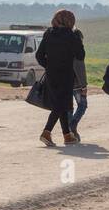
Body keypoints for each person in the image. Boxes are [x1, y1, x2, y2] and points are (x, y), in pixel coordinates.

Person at [34, 9, 83, 146]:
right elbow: (81, 56)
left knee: (62, 103)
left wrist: (49, 66)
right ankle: (46, 132)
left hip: (51, 74)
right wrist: (77, 37)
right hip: (66, 75)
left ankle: (67, 135)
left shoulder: (49, 34)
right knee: (61, 104)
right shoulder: (72, 36)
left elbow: (39, 56)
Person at [69, 28, 89, 143]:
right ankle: (72, 125)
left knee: (69, 108)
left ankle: (70, 130)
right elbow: (80, 69)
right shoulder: (78, 51)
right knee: (82, 105)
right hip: (77, 85)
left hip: (66, 83)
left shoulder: (66, 50)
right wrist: (84, 86)